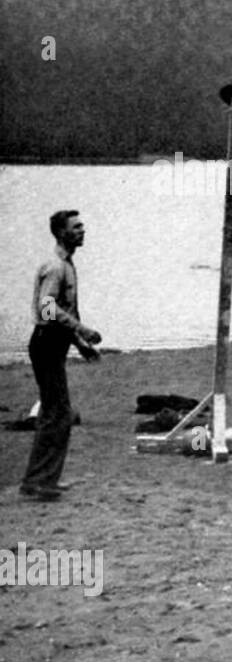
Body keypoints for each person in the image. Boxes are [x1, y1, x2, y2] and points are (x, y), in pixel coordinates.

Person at [19, 210, 102, 501]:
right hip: (46, 344)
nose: (83, 230)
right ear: (61, 233)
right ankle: (40, 481)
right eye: (76, 227)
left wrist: (80, 344)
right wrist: (83, 330)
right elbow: (48, 309)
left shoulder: (66, 264)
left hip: (54, 343)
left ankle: (39, 479)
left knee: (55, 413)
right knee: (57, 414)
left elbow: (62, 309)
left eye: (82, 226)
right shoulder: (56, 267)